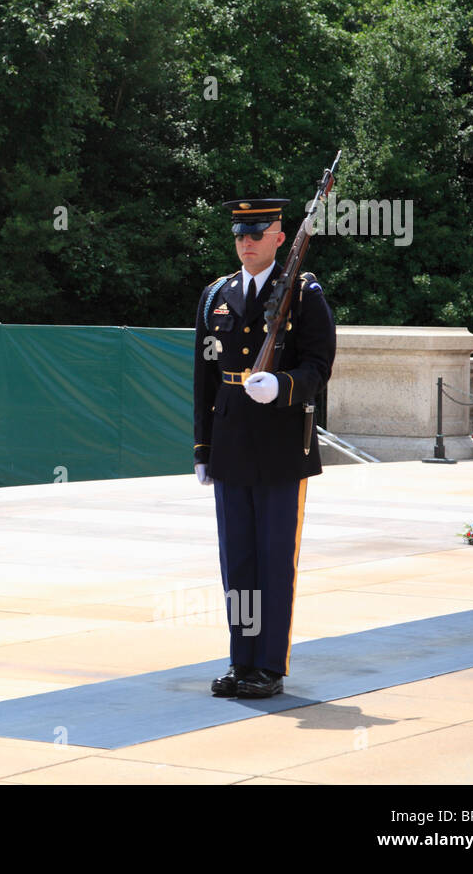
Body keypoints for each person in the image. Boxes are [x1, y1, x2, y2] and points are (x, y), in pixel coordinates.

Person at [192, 197, 336, 698]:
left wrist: (282, 387)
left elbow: (318, 367)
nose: (246, 243)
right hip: (231, 440)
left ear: (280, 237)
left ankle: (269, 665)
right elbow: (205, 379)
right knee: (239, 561)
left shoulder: (304, 293)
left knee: (274, 558)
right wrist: (203, 450)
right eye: (239, 234)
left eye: (256, 234)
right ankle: (241, 659)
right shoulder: (217, 295)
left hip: (280, 442)